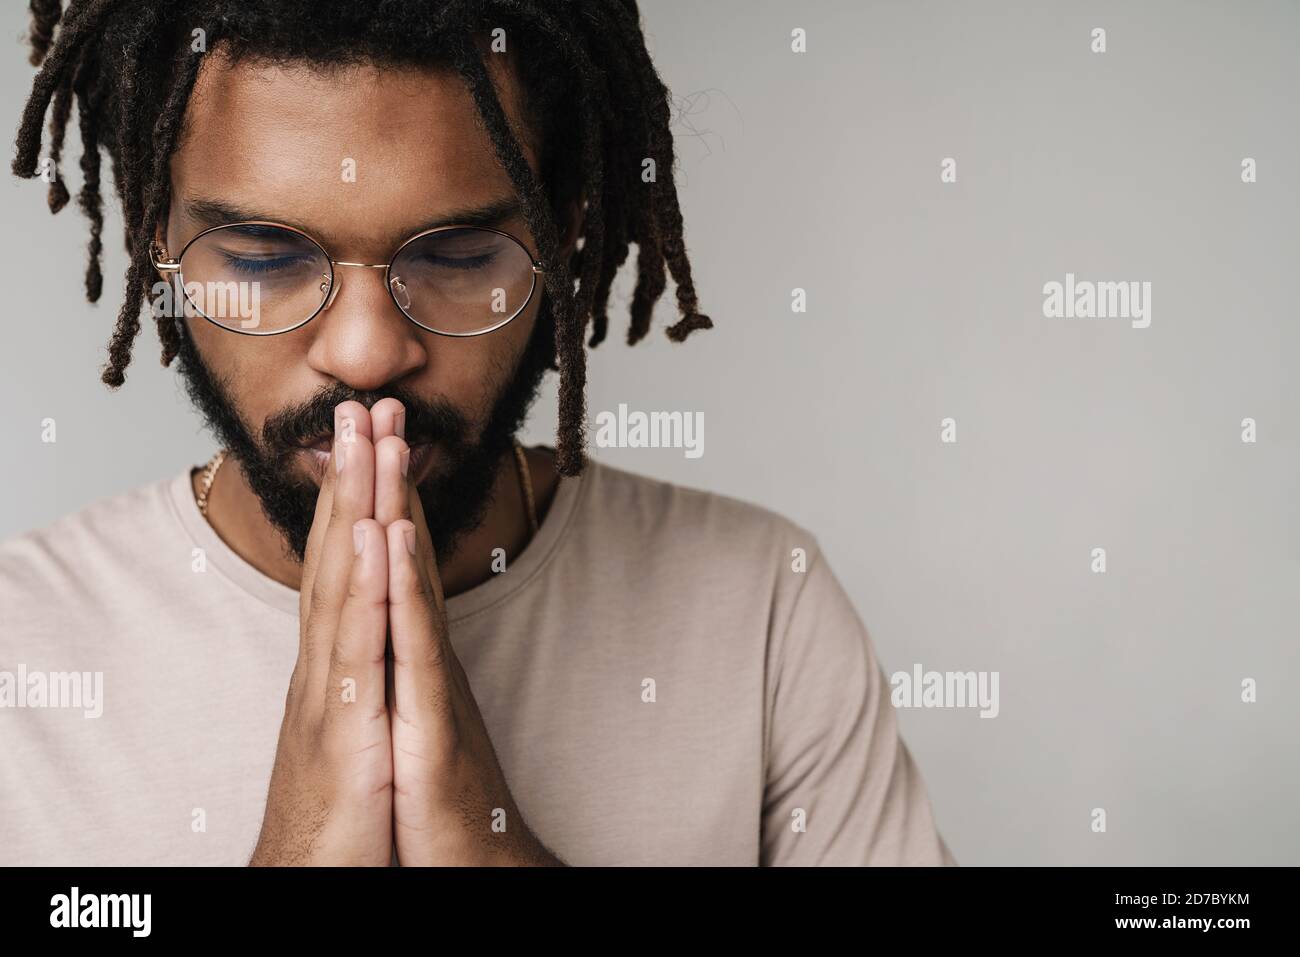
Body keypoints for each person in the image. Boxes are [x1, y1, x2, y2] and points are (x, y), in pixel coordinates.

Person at [0, 0, 954, 866]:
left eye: (457, 255)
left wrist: (483, 841)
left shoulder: (759, 609)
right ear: (156, 247)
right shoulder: (20, 650)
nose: (368, 353)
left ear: (563, 236)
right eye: (264, 255)